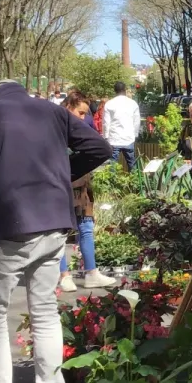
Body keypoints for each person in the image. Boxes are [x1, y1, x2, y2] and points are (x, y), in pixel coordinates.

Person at [0, 80, 111, 383]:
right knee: (45, 310)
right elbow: (100, 148)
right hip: (54, 222)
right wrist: (60, 176)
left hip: (8, 222)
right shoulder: (52, 112)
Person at [58, 90, 115, 292]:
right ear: (68, 107)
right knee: (60, 231)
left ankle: (92, 273)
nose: (83, 118)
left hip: (81, 184)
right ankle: (64, 275)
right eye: (80, 113)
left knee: (86, 226)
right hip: (63, 185)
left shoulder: (81, 128)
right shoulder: (56, 128)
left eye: (85, 114)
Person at [102, 81, 140, 171]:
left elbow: (106, 122)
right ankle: (135, 179)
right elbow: (136, 121)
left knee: (112, 166)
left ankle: (112, 180)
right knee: (132, 164)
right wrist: (135, 134)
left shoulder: (109, 104)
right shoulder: (132, 103)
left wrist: (106, 137)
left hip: (114, 138)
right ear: (125, 90)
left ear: (115, 90)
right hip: (128, 138)